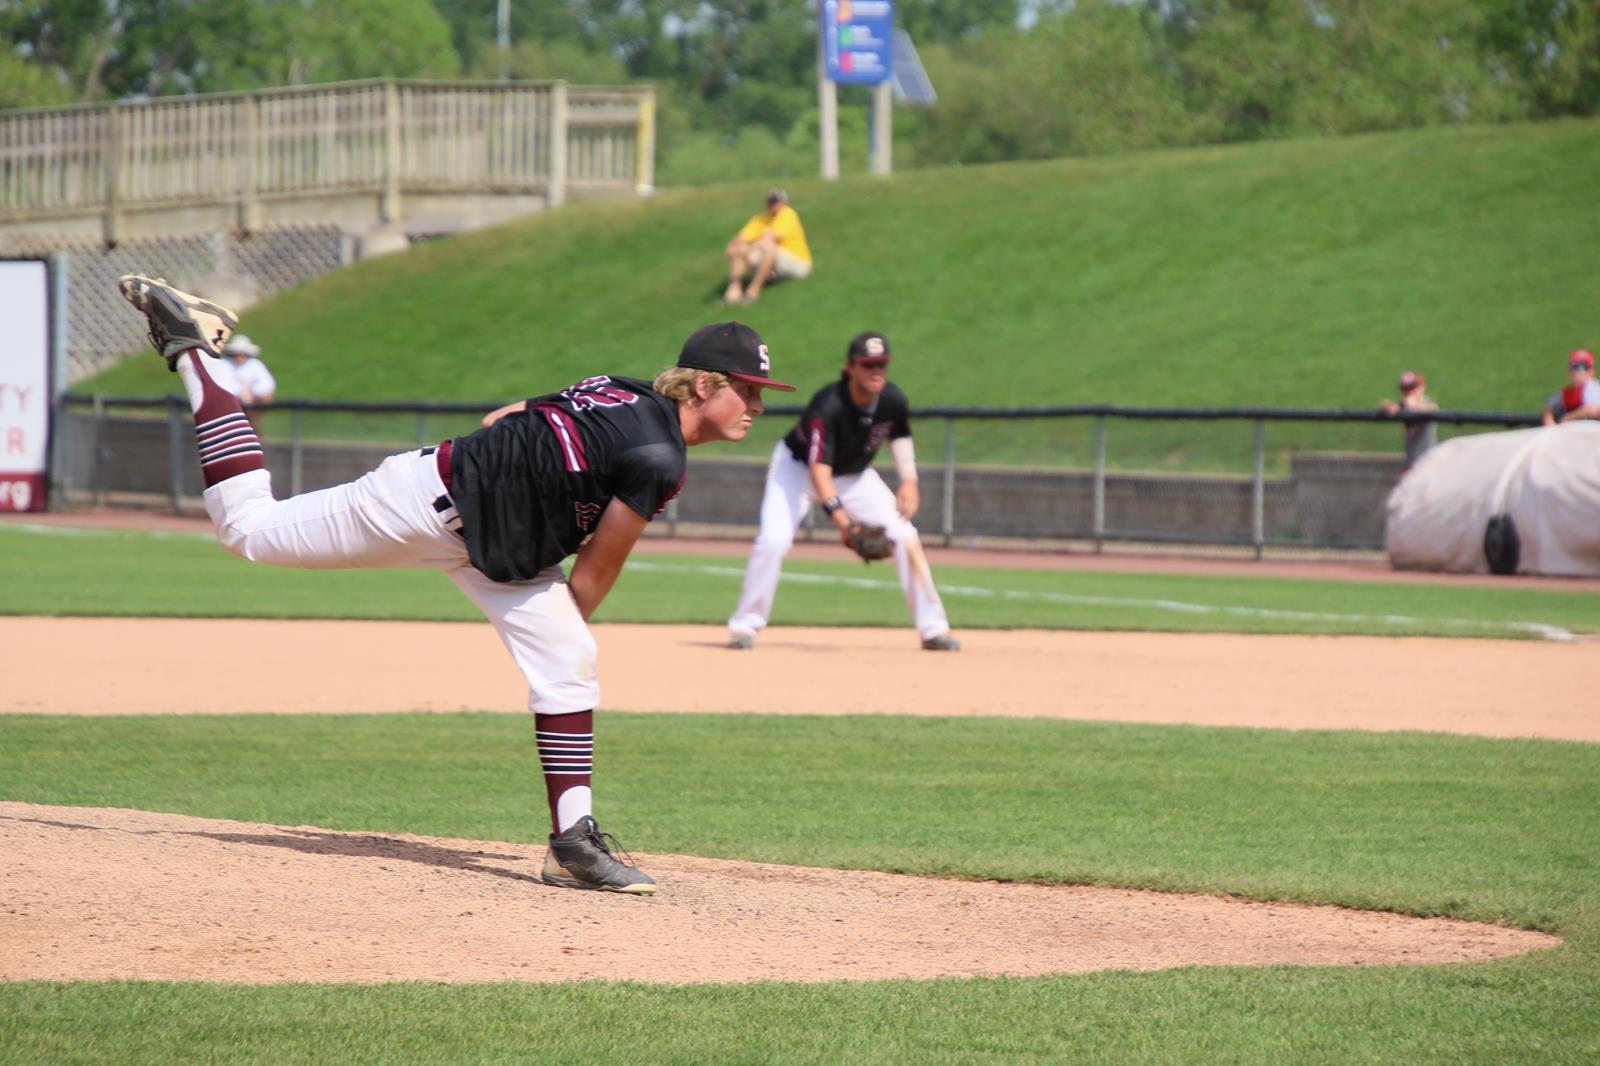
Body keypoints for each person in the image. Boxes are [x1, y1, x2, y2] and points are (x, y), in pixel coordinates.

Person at [117, 274, 796, 895]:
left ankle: (572, 846)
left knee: (569, 661)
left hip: (500, 541)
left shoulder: (617, 387)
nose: (758, 404)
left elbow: (506, 416)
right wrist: (550, 593)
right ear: (701, 386)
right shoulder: (658, 458)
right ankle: (195, 353)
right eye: (747, 389)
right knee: (247, 530)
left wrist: (530, 522)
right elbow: (596, 570)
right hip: (421, 505)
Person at [726, 330, 959, 652]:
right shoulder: (829, 404)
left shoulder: (892, 399)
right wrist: (844, 524)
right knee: (774, 540)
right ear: (851, 367)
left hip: (854, 475)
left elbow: (900, 435)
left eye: (881, 364)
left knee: (905, 536)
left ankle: (934, 629)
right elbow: (819, 470)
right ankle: (744, 626)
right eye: (868, 364)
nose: (876, 371)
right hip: (796, 471)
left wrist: (910, 481)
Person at [723, 188, 812, 306]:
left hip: (797, 264)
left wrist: (748, 250)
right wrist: (738, 249)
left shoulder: (788, 214)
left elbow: (770, 238)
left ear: (784, 202)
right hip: (773, 262)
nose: (773, 204)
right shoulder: (759, 219)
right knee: (741, 248)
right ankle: (733, 291)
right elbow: (738, 241)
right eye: (771, 201)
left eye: (776, 201)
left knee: (767, 247)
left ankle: (753, 290)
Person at [1377, 370, 1439, 471]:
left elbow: (1433, 409)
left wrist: (1413, 406)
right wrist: (1389, 407)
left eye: (1413, 388)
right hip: (1411, 464)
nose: (1409, 392)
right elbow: (1385, 405)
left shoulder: (1427, 403)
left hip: (1429, 465)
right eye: (1405, 389)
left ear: (1422, 388)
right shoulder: (1405, 406)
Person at [1542, 349, 1600, 426]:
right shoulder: (1567, 392)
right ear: (1570, 371)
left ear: (1592, 371)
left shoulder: (1592, 386)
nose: (1581, 371)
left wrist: (1567, 418)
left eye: (1585, 367)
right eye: (1576, 367)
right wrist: (1552, 426)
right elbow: (1549, 408)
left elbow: (1593, 409)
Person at [221, 334, 277, 406]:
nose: (239, 356)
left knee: (266, 397)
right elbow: (221, 385)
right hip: (231, 399)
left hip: (253, 398)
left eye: (242, 353)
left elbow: (267, 384)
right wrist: (239, 394)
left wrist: (252, 393)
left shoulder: (255, 364)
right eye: (237, 353)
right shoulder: (224, 364)